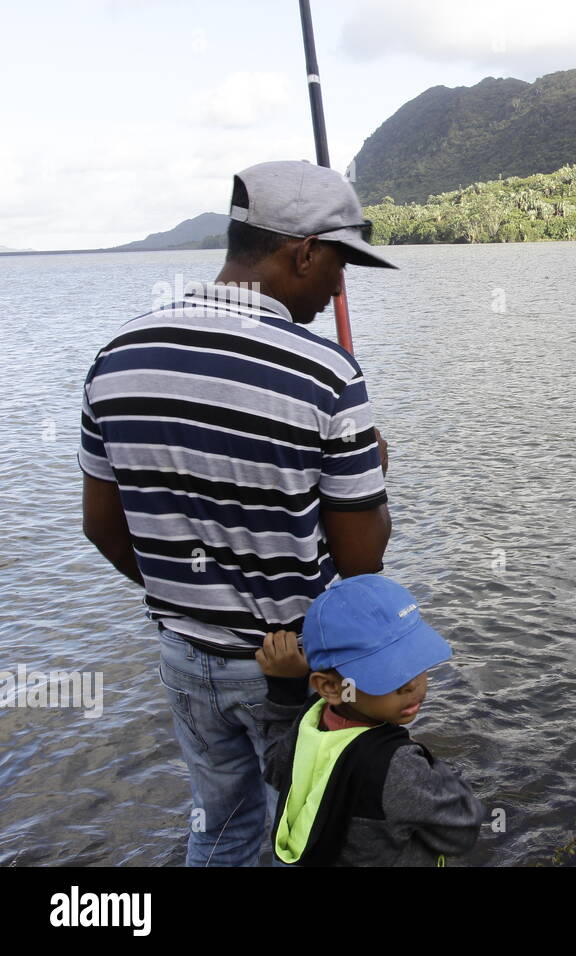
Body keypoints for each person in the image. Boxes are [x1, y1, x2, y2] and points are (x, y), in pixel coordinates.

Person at [79, 160, 396, 865]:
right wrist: (370, 474)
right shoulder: (326, 375)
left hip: (182, 655)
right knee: (305, 828)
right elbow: (361, 558)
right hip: (287, 669)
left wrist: (187, 598)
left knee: (218, 826)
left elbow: (101, 525)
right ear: (304, 250)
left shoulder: (117, 356)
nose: (341, 284)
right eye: (340, 261)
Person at [254, 574, 486, 866]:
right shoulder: (400, 766)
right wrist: (425, 762)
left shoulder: (311, 720)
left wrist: (284, 692)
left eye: (416, 663)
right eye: (390, 672)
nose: (412, 684)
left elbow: (276, 765)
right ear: (330, 687)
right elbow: (461, 831)